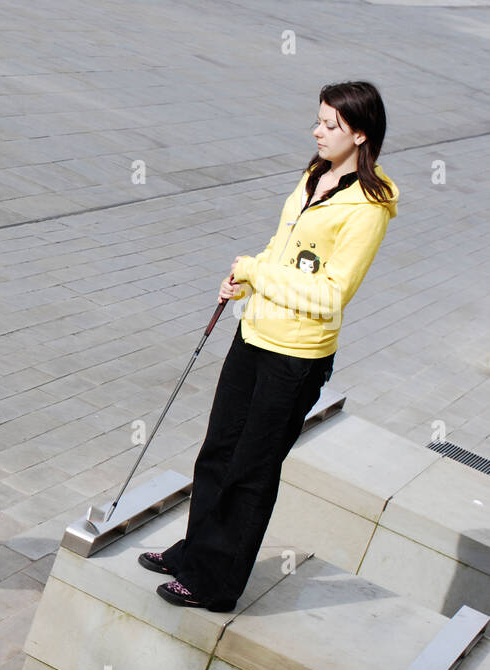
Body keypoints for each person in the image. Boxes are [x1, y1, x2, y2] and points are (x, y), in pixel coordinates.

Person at [141, 81, 398, 611]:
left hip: (296, 357)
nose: (318, 131)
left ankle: (215, 584)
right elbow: (284, 249)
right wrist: (246, 279)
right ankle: (196, 552)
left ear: (361, 134)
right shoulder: (314, 176)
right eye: (319, 120)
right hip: (254, 334)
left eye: (331, 125)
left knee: (251, 469)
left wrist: (258, 270)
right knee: (217, 451)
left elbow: (332, 294)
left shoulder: (368, 206)